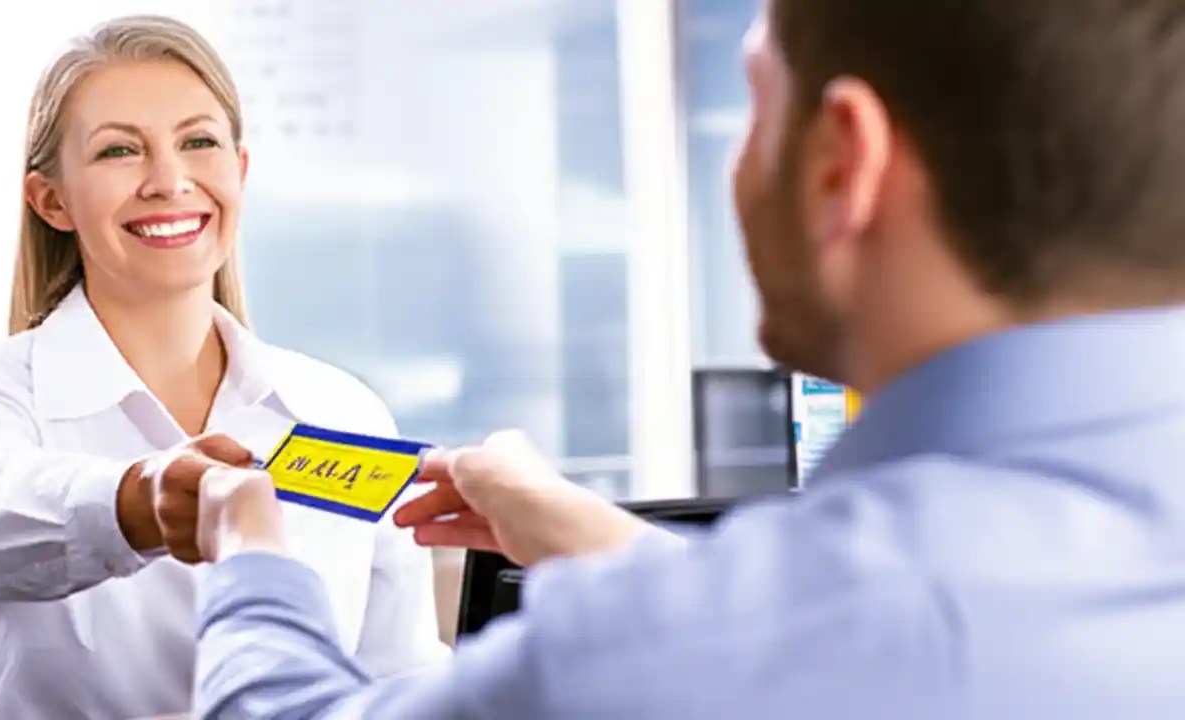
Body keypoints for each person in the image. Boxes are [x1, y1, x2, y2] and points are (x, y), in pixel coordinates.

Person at [193, 0, 1185, 717]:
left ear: (842, 166)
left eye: (755, 106)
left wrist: (246, 547)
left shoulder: (667, 653)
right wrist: (598, 536)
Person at [0, 14, 447, 720]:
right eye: (119, 152)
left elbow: (400, 676)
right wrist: (142, 502)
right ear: (52, 200)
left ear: (239, 172)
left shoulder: (342, 411)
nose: (169, 180)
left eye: (198, 142)